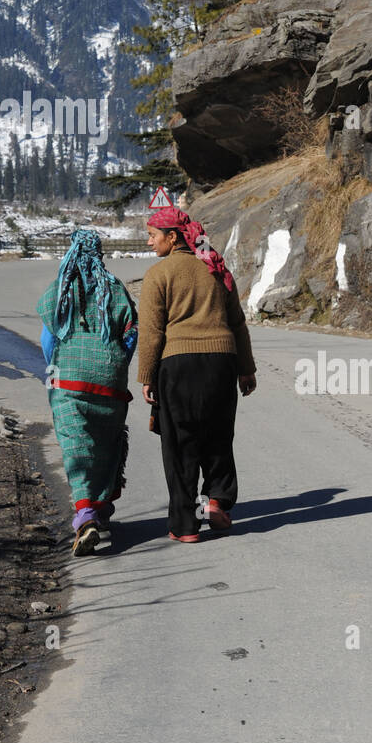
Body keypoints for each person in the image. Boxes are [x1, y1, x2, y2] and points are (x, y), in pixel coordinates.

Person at [137, 205, 257, 543]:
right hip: (222, 363)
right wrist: (245, 369)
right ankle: (217, 500)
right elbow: (237, 323)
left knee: (180, 444)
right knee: (218, 437)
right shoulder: (215, 269)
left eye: (152, 235)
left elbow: (151, 332)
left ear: (172, 237)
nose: (149, 242)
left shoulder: (158, 275)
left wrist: (147, 374)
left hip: (179, 366)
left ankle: (186, 526)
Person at [37, 228, 138, 555]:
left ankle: (85, 516)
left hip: (68, 380)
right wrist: (118, 363)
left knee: (77, 445)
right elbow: (130, 334)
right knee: (108, 444)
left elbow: (47, 340)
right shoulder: (115, 289)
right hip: (110, 380)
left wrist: (54, 365)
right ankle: (102, 505)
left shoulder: (62, 290)